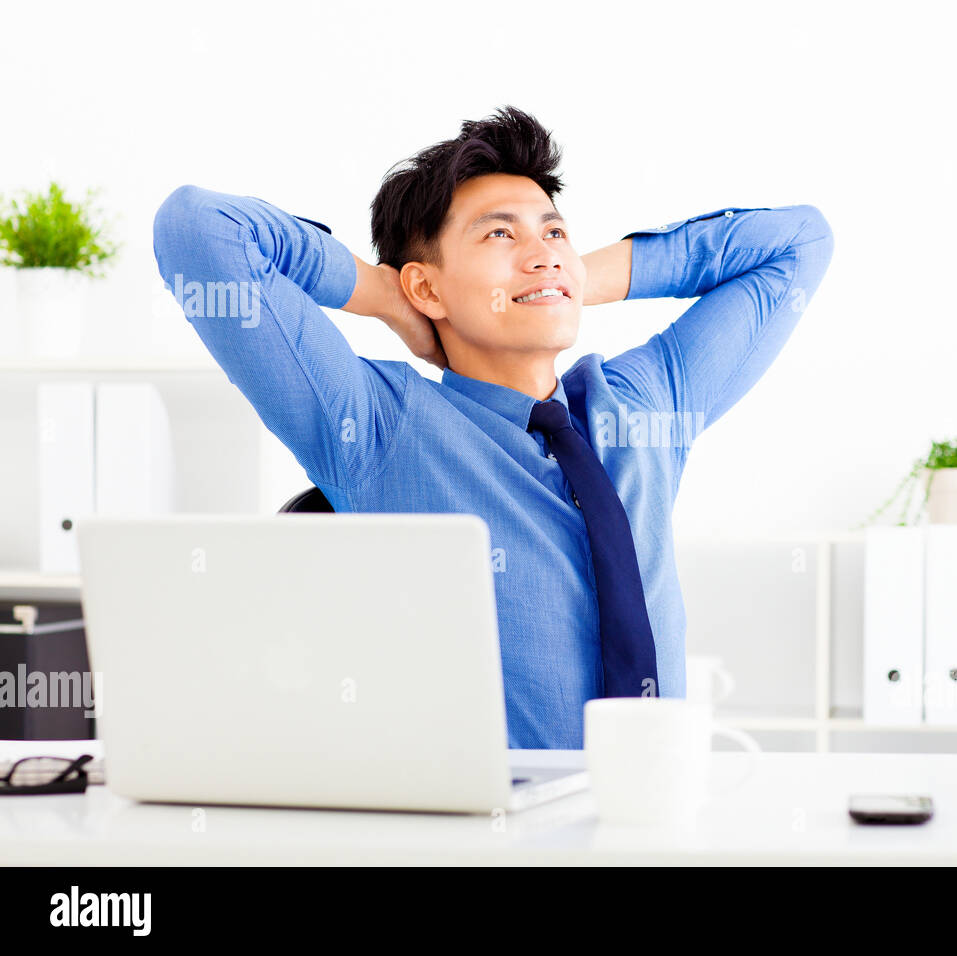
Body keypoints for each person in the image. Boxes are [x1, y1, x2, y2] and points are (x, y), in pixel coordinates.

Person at [152, 105, 834, 748]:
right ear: (428, 286)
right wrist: (388, 296)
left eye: (554, 229)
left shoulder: (643, 407)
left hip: (658, 823)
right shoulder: (381, 428)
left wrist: (562, 278)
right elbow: (199, 231)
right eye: (500, 233)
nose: (541, 249)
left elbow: (800, 244)